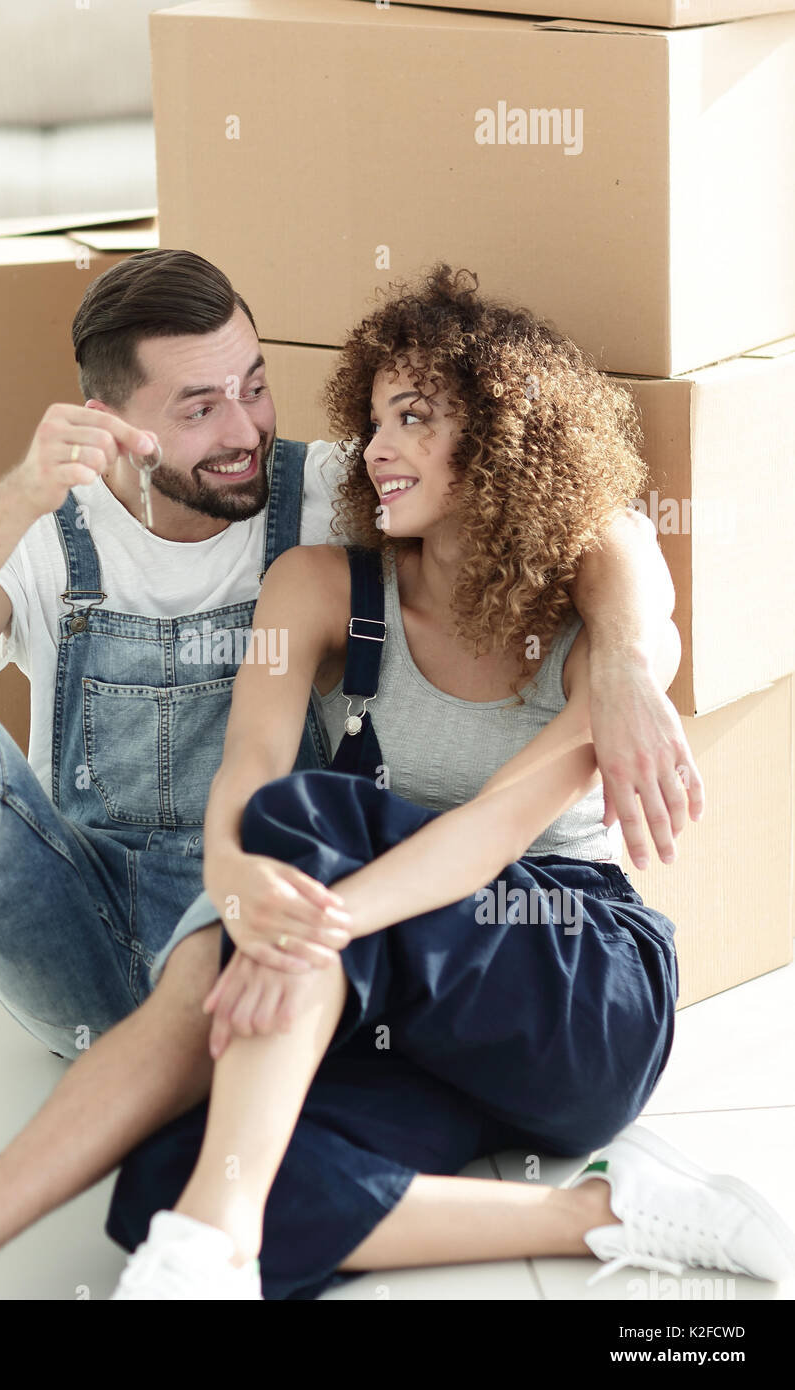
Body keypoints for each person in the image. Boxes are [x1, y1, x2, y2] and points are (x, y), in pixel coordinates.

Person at [0, 254, 694, 1300]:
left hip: (286, 939)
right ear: (112, 421)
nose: (246, 428)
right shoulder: (56, 534)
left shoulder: (326, 495)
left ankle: (154, 1242)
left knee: (299, 835)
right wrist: (24, 488)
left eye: (256, 385)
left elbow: (568, 503)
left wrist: (626, 651)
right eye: (201, 405)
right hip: (129, 939)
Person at [104, 265, 795, 1299]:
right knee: (167, 1177)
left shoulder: (591, 635)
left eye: (414, 416)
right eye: (375, 418)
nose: (376, 448)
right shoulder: (334, 587)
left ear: (507, 438)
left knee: (307, 814)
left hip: (569, 981)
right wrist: (245, 890)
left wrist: (316, 919)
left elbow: (489, 836)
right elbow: (244, 781)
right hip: (406, 1006)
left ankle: (209, 1250)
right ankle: (598, 1215)